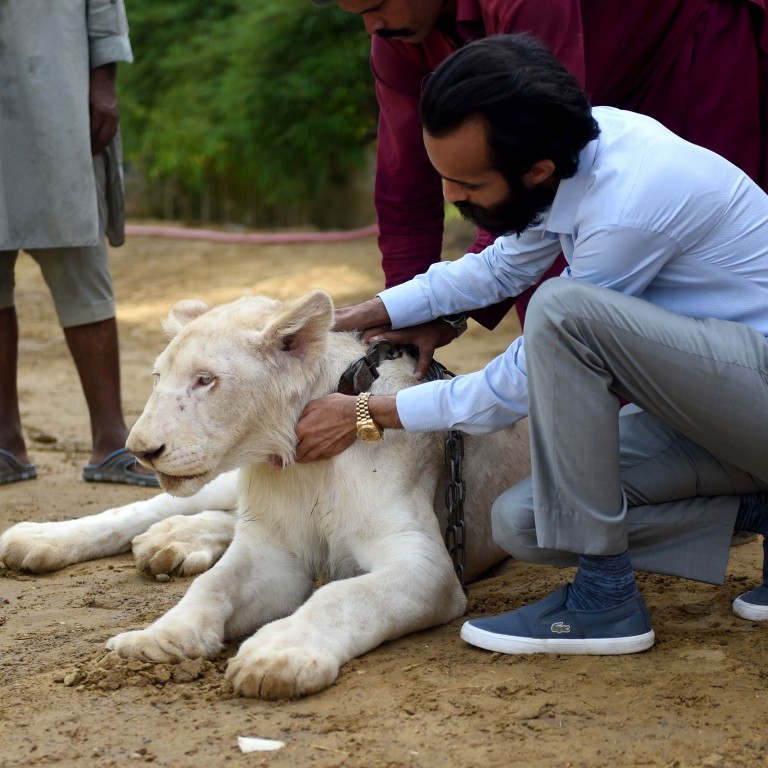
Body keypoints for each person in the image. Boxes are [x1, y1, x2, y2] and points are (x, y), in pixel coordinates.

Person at [293, 34, 768, 655]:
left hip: (752, 393)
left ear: (536, 172)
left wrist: (365, 413)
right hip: (728, 415)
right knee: (528, 521)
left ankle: (604, 602)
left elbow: (520, 381)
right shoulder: (577, 150)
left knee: (563, 311)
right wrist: (363, 314)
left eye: (466, 183)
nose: (452, 197)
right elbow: (497, 269)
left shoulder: (629, 201)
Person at [316, 0, 768, 336]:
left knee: (606, 315)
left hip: (691, 62)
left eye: (376, 6)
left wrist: (375, 413)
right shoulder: (395, 37)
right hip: (576, 126)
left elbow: (526, 169)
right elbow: (406, 192)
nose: (370, 26)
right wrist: (403, 314)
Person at [0, 0, 158, 487]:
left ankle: (111, 441)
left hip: (57, 90)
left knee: (79, 254)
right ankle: (5, 443)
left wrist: (103, 81)